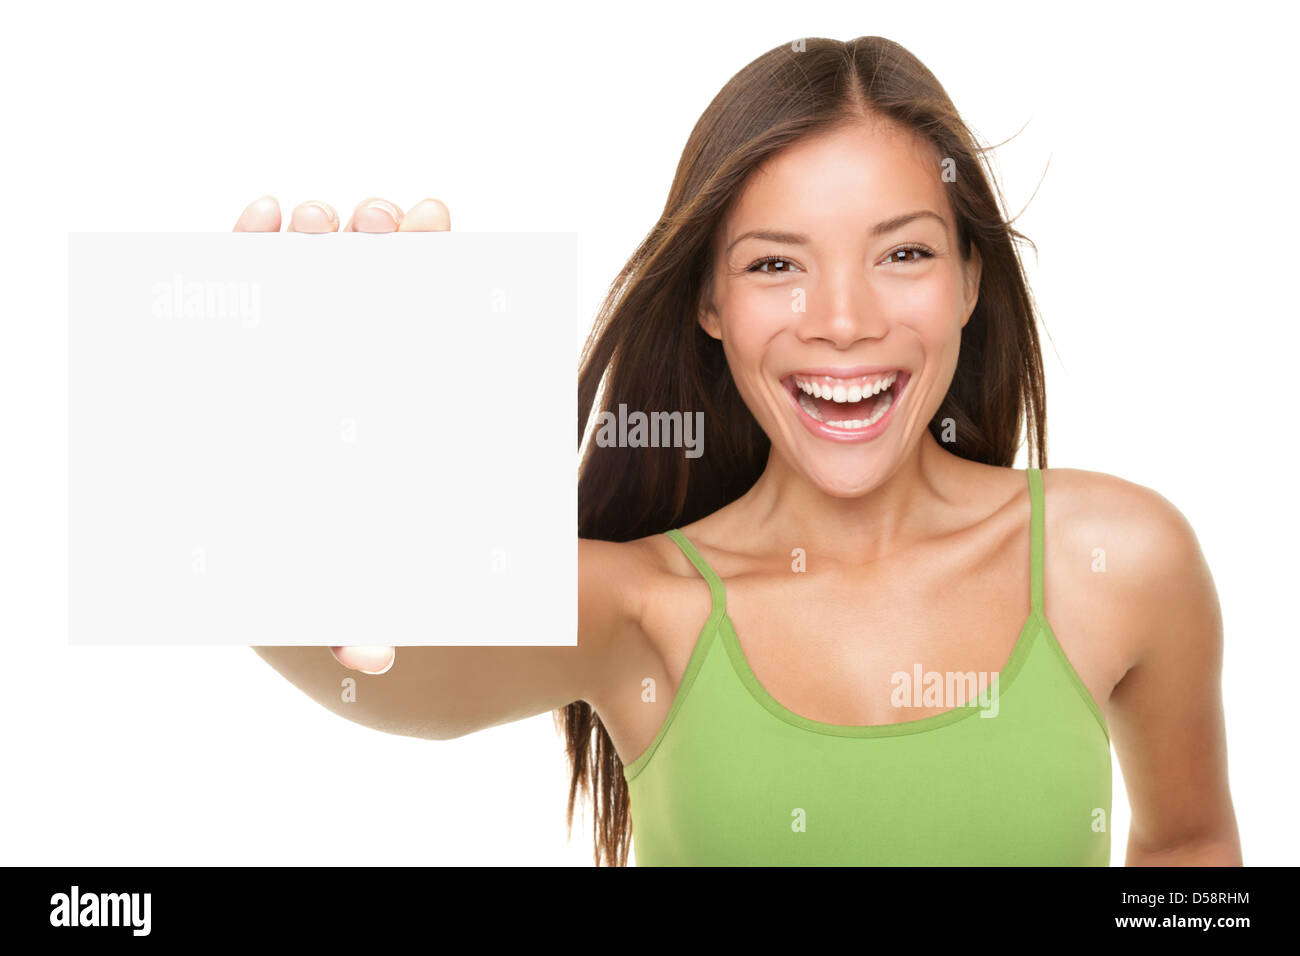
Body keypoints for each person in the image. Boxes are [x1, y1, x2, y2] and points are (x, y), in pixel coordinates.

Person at [250, 36, 1240, 866]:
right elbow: (372, 656)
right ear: (711, 304)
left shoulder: (1118, 559)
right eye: (775, 264)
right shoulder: (642, 609)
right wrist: (239, 448)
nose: (842, 321)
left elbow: (1189, 848)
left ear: (970, 280)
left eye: (903, 252)